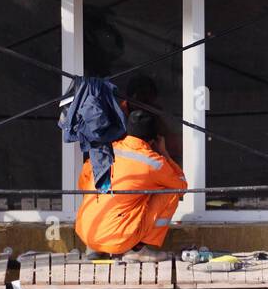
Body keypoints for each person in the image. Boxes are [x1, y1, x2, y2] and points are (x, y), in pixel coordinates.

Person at [75, 109, 187, 260]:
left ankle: (96, 248)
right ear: (154, 140)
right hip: (117, 240)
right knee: (169, 193)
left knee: (104, 191)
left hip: (86, 233)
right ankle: (137, 250)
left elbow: (83, 183)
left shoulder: (106, 150)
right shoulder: (153, 162)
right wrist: (164, 153)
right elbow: (181, 187)